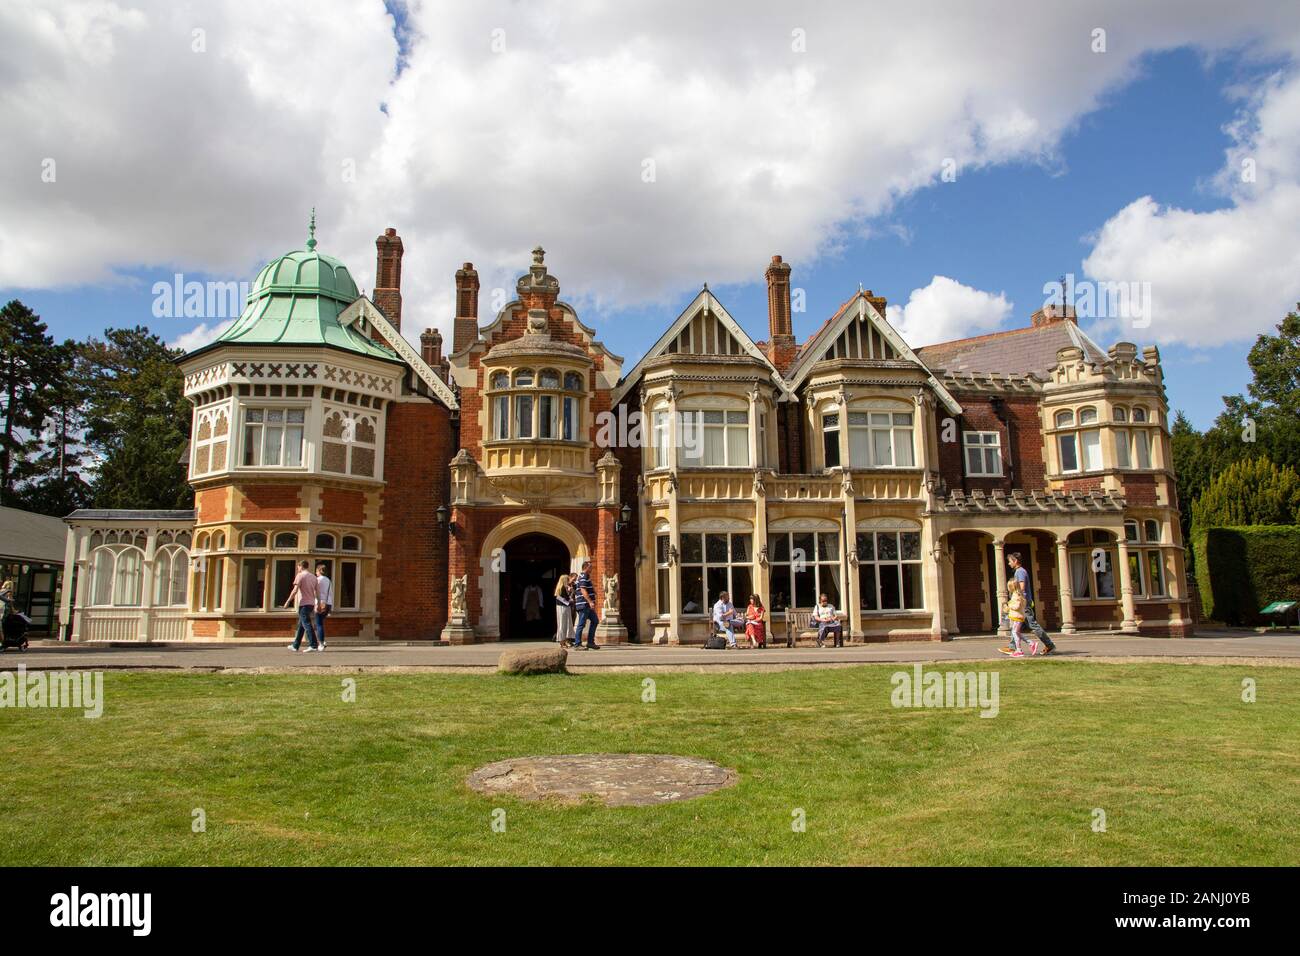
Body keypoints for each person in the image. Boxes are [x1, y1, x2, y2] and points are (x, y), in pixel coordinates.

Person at [1003, 552, 1056, 655]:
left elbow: (1021, 588)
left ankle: (1049, 645)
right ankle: (1012, 647)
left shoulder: (1020, 572)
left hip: (1023, 604)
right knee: (1016, 626)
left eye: (1010, 561)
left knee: (1032, 625)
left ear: (1015, 561)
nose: (1009, 563)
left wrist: (1015, 599)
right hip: (1024, 603)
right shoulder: (1019, 571)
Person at [284, 560, 321, 652]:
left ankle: (313, 644)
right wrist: (319, 603)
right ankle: (295, 645)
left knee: (306, 624)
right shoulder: (313, 577)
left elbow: (295, 590)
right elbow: (317, 592)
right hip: (311, 603)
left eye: (298, 567)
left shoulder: (300, 576)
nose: (297, 569)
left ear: (301, 566)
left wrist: (288, 601)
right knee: (301, 624)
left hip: (304, 603)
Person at [999, 580, 1036, 658]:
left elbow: (1017, 606)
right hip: (1017, 616)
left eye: (1009, 587)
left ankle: (1019, 650)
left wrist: (1009, 606)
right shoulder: (1018, 594)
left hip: (1017, 617)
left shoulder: (1016, 595)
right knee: (1017, 632)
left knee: (1015, 633)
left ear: (1012, 587)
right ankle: (1031, 643)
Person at [571, 561, 599, 650]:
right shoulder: (583, 576)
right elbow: (583, 590)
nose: (592, 569)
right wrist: (590, 601)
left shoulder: (585, 577)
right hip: (584, 604)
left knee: (595, 621)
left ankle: (590, 642)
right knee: (581, 624)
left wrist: (593, 592)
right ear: (586, 567)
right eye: (591, 567)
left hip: (586, 605)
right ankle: (577, 644)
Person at [314, 562, 333, 651]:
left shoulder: (318, 580)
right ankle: (322, 641)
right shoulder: (328, 580)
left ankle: (321, 643)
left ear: (319, 570)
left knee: (318, 624)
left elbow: (315, 591)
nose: (316, 573)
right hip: (328, 603)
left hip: (320, 603)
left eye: (316, 571)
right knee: (320, 623)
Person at [554, 574, 574, 646]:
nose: (569, 581)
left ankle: (564, 641)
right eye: (567, 579)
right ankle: (562, 641)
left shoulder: (562, 588)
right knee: (563, 624)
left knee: (564, 624)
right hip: (563, 608)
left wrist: (570, 592)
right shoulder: (562, 588)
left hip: (563, 607)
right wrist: (570, 600)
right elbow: (564, 599)